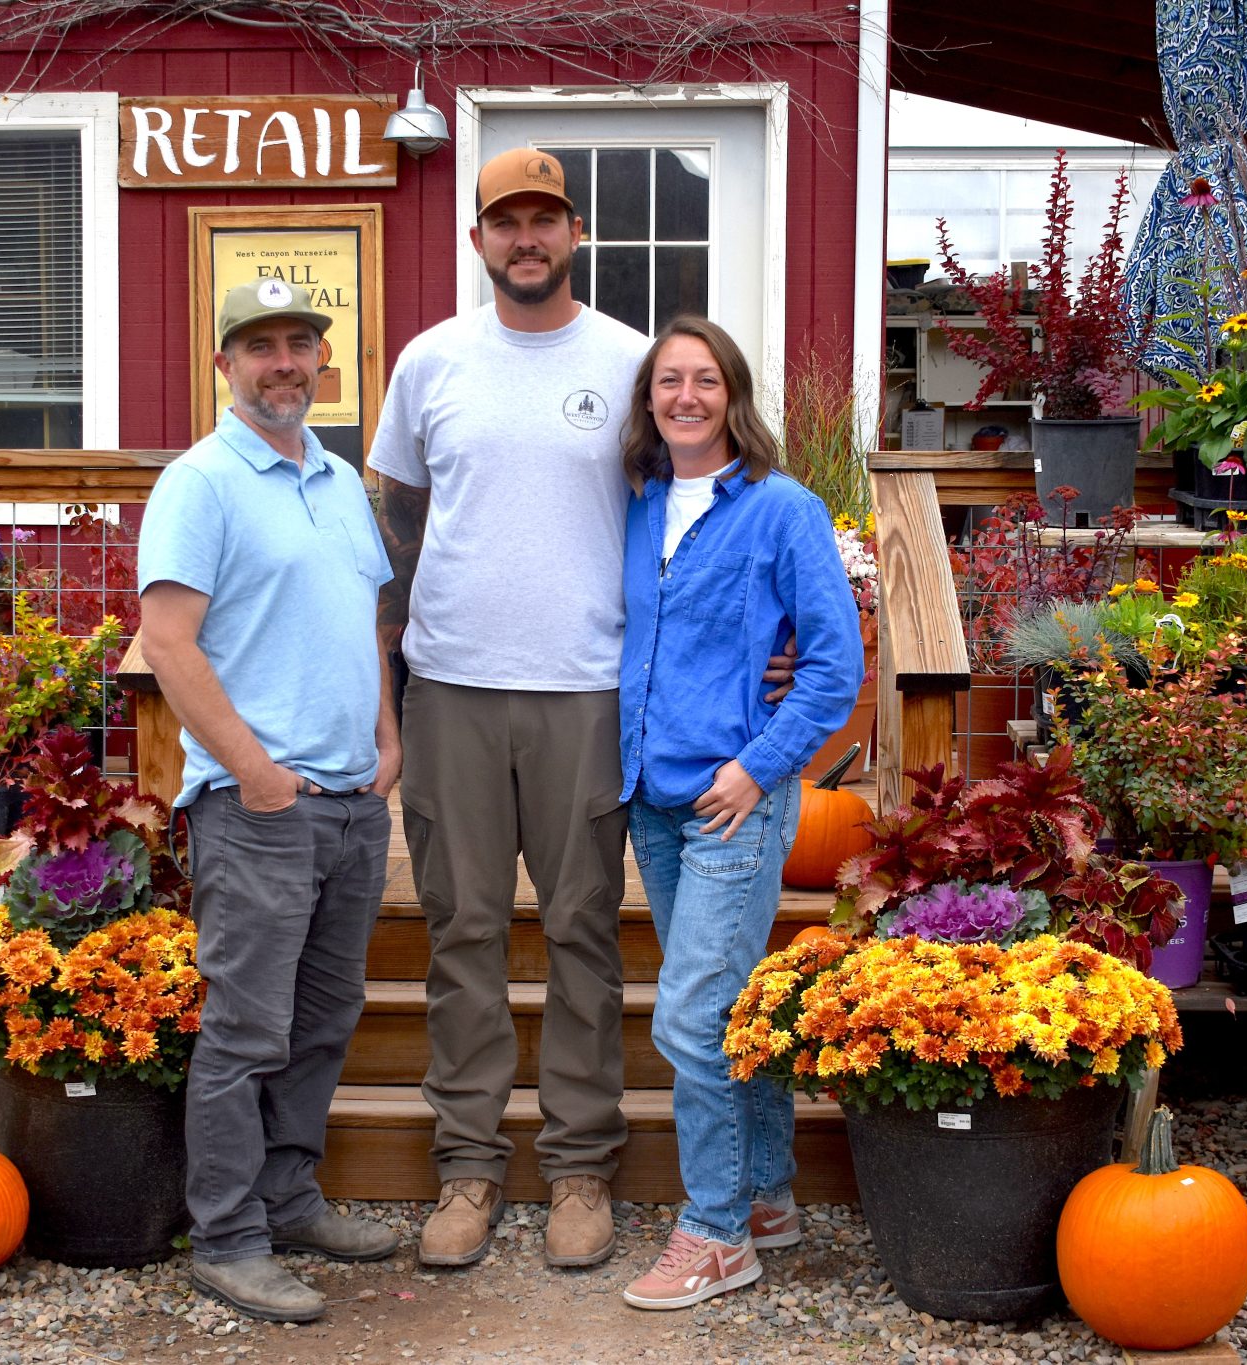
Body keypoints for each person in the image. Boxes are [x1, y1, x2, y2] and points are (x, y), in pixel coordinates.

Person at [366, 147, 651, 1270]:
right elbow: (396, 529)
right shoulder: (431, 361)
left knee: (583, 930)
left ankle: (580, 1166)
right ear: (477, 238)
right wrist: (387, 689)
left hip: (587, 687)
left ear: (575, 232)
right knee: (463, 932)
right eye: (504, 220)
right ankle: (468, 1167)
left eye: (544, 219)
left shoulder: (629, 362)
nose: (525, 238)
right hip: (452, 688)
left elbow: (671, 517)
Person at [136, 277, 401, 1324]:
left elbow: (363, 619)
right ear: (225, 365)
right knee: (247, 1030)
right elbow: (167, 642)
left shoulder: (338, 479)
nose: (283, 361)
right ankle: (228, 1236)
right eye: (260, 345)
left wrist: (386, 737)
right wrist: (253, 771)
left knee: (323, 1021)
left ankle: (288, 1200)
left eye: (300, 342)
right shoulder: (199, 482)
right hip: (260, 811)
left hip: (351, 802)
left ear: (322, 361)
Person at [613, 317, 864, 1311]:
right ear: (648, 399)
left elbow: (833, 666)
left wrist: (758, 771)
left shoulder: (782, 510)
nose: (686, 396)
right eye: (668, 380)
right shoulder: (634, 506)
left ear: (732, 395)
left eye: (705, 380)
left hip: (733, 805)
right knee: (726, 1006)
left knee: (689, 1011)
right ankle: (764, 1195)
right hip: (652, 798)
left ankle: (714, 1232)